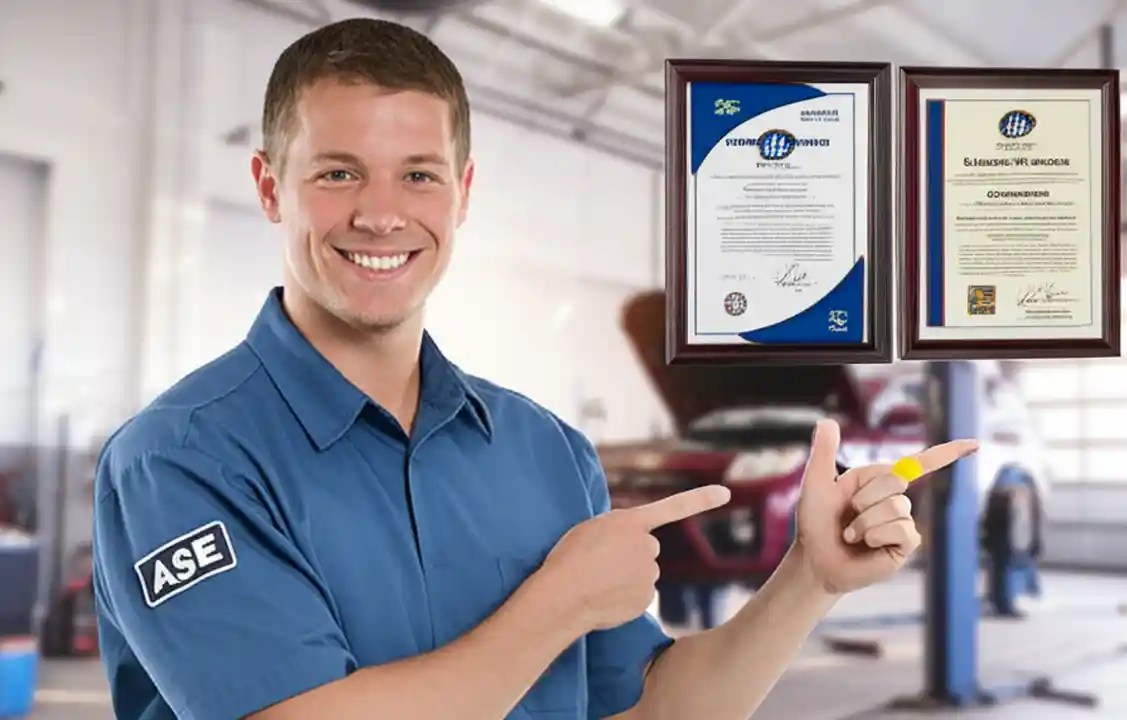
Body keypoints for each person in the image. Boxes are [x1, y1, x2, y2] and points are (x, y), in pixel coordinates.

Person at [91, 17, 976, 720]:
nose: (382, 214)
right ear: (268, 187)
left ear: (464, 194)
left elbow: (649, 709)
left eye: (419, 176)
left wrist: (807, 580)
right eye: (338, 174)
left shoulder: (544, 450)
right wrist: (559, 605)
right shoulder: (179, 461)